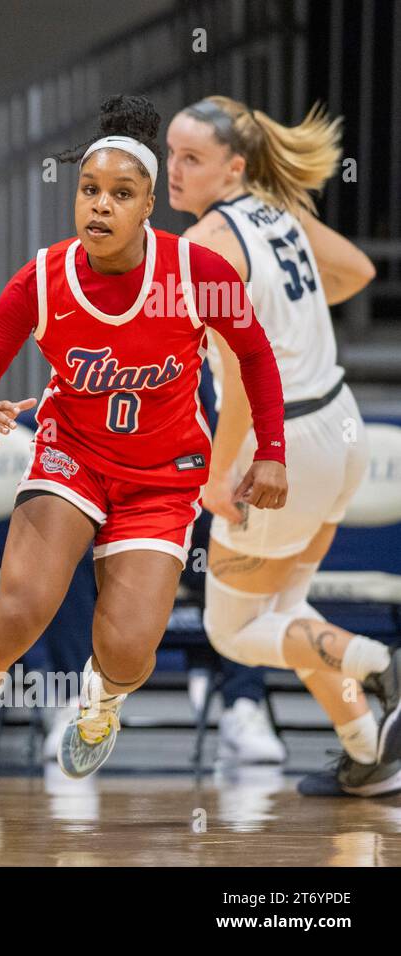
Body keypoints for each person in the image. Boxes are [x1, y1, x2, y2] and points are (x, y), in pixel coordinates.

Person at [0, 94, 293, 823]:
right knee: (19, 614)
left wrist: (273, 452)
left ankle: (101, 702)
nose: (99, 206)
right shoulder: (42, 278)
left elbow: (255, 355)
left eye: (120, 195)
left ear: (150, 206)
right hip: (71, 458)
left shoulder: (195, 271)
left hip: (163, 479)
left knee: (128, 652)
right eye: (89, 190)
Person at [167, 95, 400, 796]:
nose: (173, 171)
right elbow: (357, 271)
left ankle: (381, 662)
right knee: (285, 615)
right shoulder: (279, 210)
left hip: (283, 442)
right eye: (170, 155)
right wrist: (289, 312)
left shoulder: (206, 245)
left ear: (233, 166)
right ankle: (369, 756)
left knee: (232, 634)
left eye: (192, 159)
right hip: (340, 425)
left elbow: (237, 379)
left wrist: (214, 477)